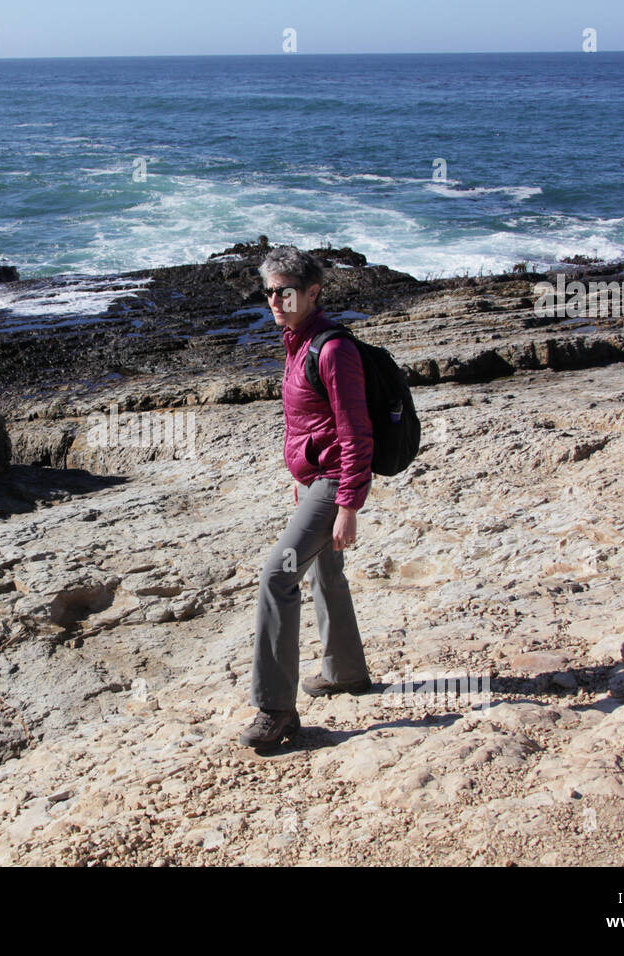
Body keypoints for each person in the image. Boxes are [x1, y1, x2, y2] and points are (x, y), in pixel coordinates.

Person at [239, 245, 375, 750]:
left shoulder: (333, 349)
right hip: (315, 480)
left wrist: (348, 507)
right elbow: (312, 423)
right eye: (269, 291)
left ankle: (275, 710)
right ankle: (346, 672)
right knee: (324, 570)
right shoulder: (298, 341)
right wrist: (302, 475)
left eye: (285, 291)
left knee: (278, 574)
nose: (274, 300)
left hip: (335, 484)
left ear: (312, 292)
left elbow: (357, 433)